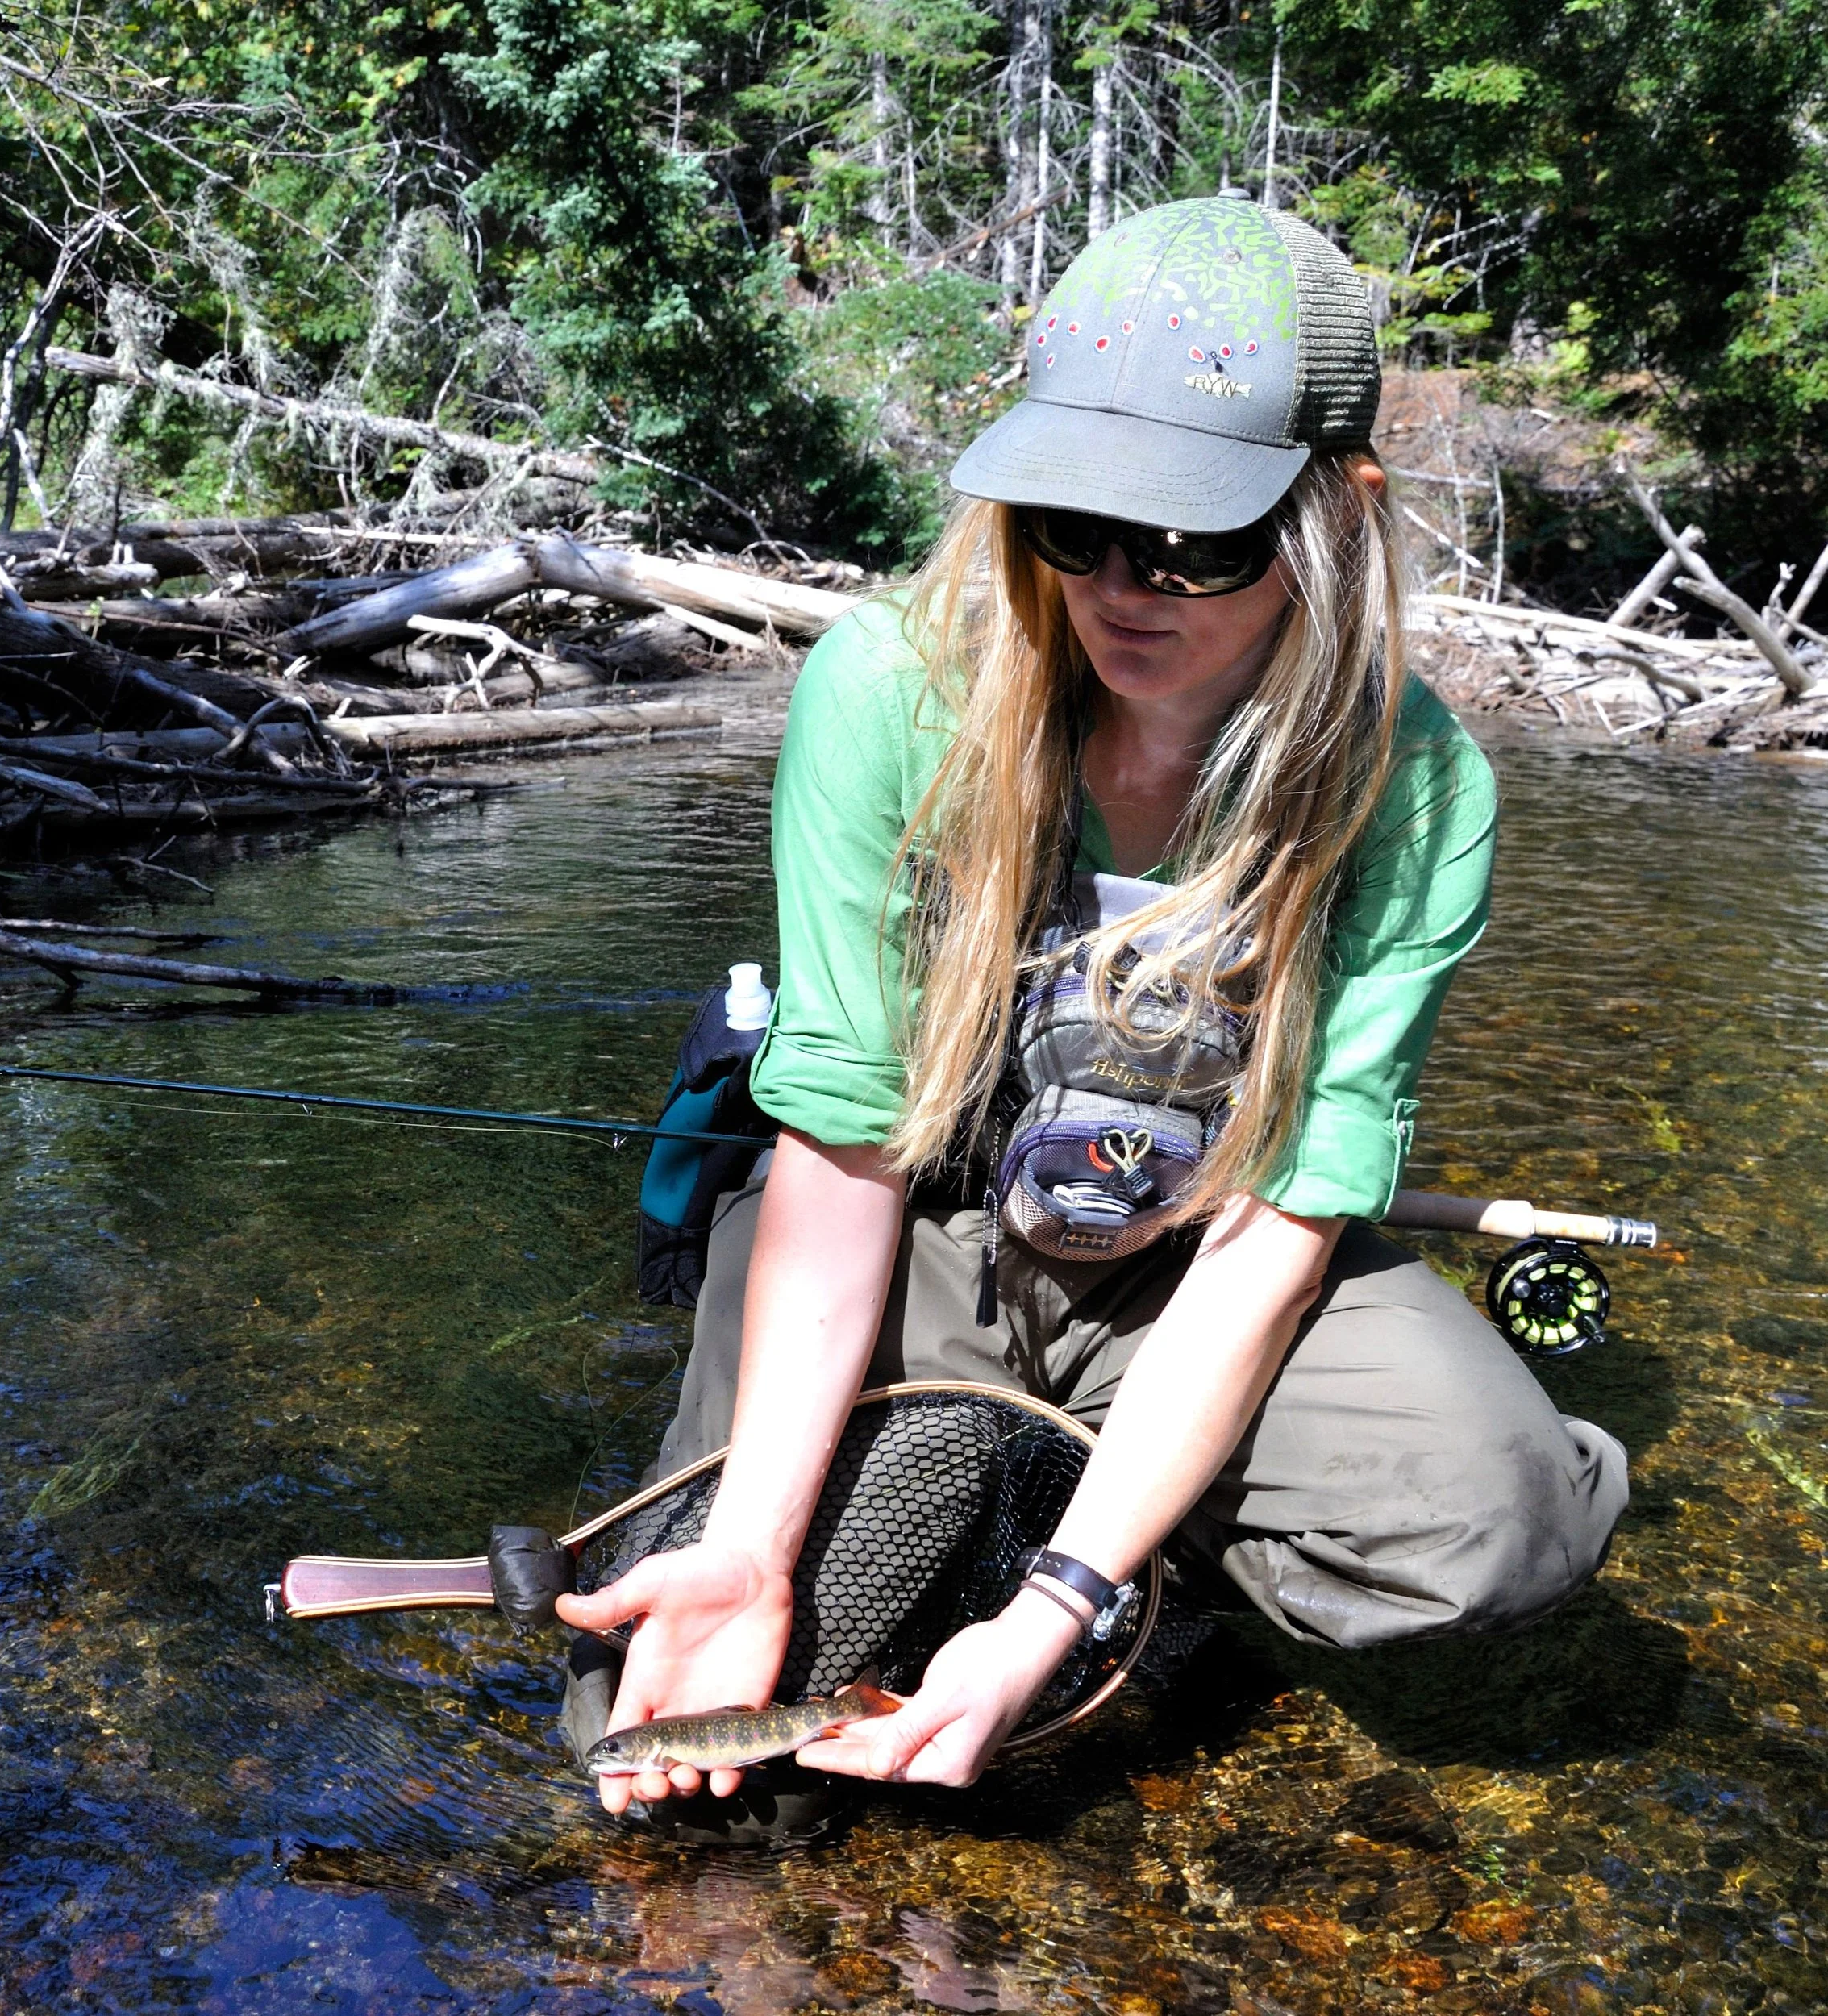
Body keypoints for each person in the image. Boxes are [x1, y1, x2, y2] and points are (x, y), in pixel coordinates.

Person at [556, 198, 1629, 1820]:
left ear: (1334, 511)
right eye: (1070, 519)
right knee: (670, 1731)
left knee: (1496, 1522)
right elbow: (841, 1153)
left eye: (1195, 539)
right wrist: (756, 1547)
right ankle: (1016, 1469)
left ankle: (1137, 1528)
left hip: (1195, 1259)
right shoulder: (884, 693)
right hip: (918, 1230)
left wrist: (1055, 1602)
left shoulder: (1410, 788)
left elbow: (1278, 1221)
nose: (1124, 584)